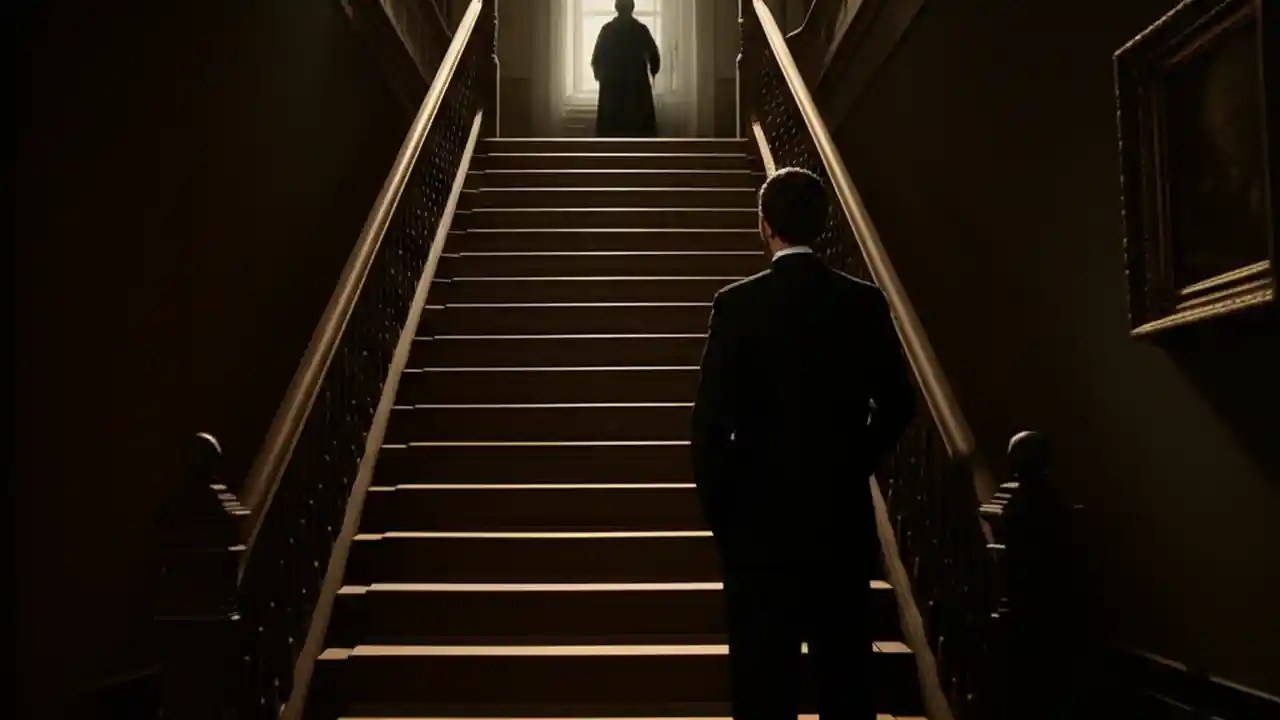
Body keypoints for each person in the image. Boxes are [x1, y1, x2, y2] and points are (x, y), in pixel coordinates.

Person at [691, 168, 915, 719]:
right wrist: (853, 461)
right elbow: (899, 403)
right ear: (824, 222)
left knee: (764, 681)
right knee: (845, 677)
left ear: (764, 226)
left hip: (759, 526)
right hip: (839, 519)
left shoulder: (738, 305)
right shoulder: (863, 302)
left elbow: (710, 424)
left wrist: (725, 512)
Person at [590, 0, 659, 137]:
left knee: (611, 137)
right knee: (639, 136)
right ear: (632, 8)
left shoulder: (608, 30)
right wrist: (653, 73)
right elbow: (654, 58)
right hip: (637, 89)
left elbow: (596, 59)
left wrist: (601, 77)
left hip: (613, 89)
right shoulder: (640, 30)